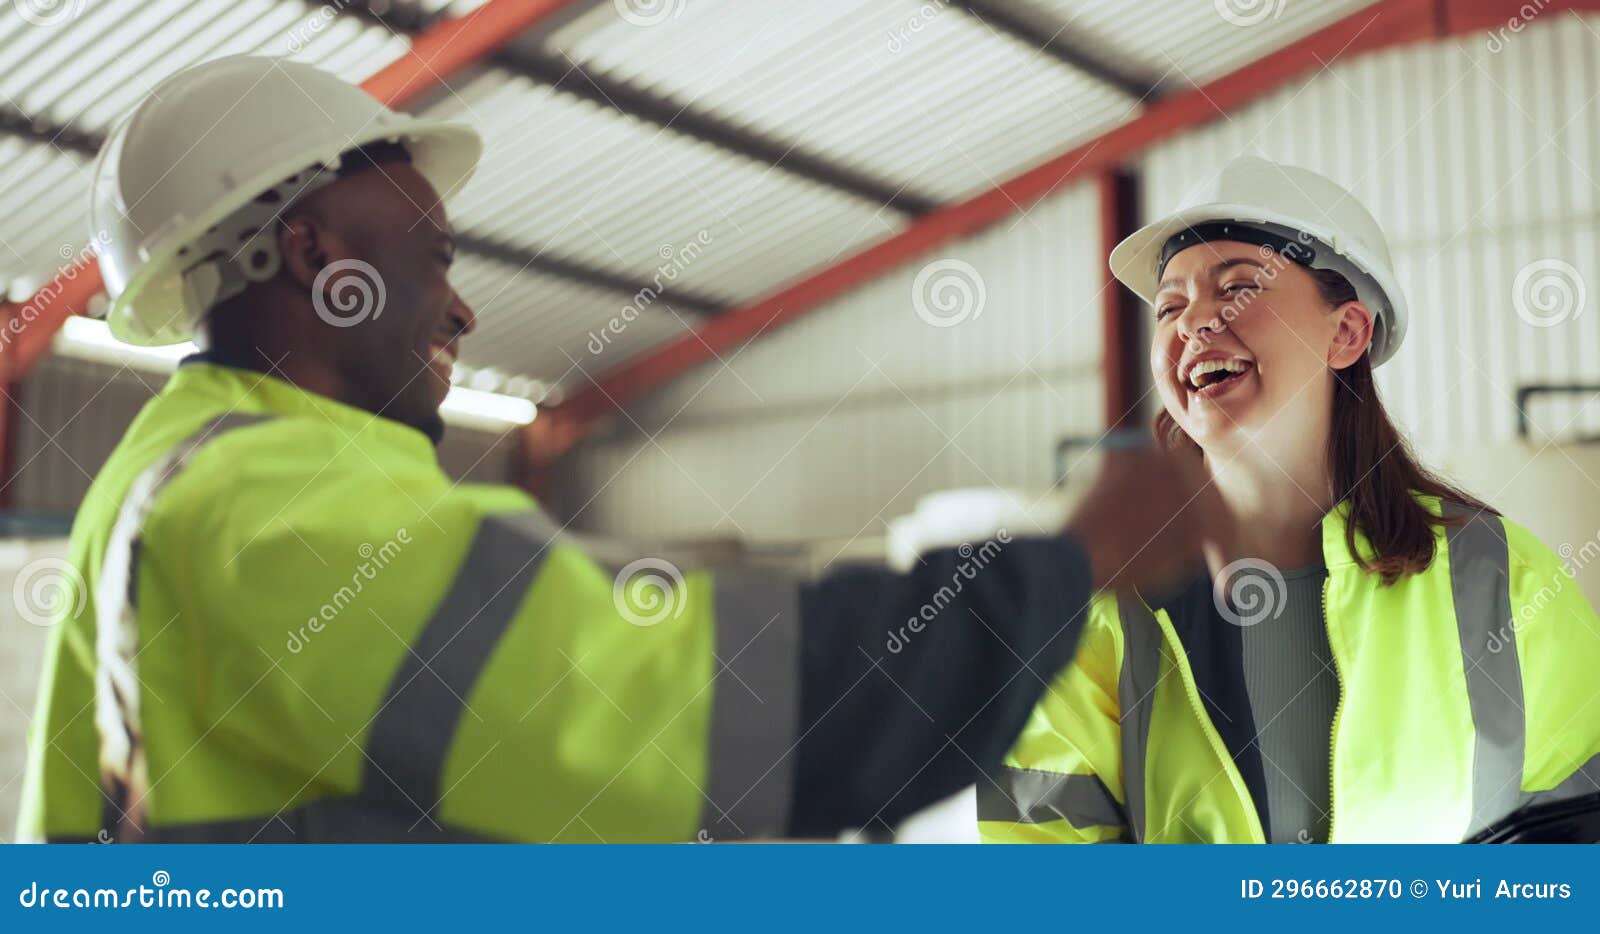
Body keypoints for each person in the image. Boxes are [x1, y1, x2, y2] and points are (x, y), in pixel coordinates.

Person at [18, 56, 1220, 843]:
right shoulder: (263, 506)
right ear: (315, 251)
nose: (462, 307)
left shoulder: (186, 475)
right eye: (431, 253)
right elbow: (740, 721)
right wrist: (1072, 560)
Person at [979, 156, 1600, 844]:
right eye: (1171, 306)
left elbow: (1575, 840)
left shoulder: (1500, 577)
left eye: (1239, 288)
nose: (1195, 324)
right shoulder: (1089, 603)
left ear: (1346, 334)